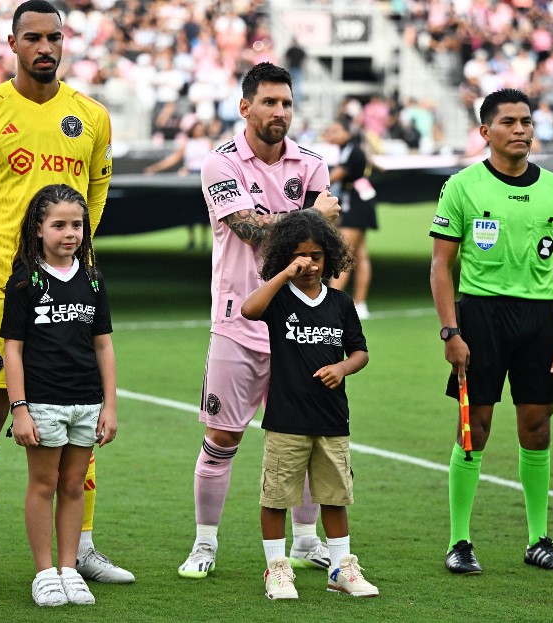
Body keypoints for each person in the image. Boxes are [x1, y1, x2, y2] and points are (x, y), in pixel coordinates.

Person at [0, 0, 130, 590]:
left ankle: (84, 549)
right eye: (33, 38)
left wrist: (76, 256)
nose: (45, 47)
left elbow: (95, 196)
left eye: (54, 37)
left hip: (69, 293)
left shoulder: (91, 116)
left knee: (77, 414)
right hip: (0, 293)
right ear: (12, 42)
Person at [180, 62, 341, 579]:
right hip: (237, 322)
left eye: (287, 104)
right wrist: (311, 220)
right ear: (245, 107)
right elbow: (250, 230)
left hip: (301, 326)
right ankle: (205, 544)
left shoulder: (312, 163)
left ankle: (307, 541)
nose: (279, 113)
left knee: (306, 437)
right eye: (269, 102)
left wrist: (306, 225)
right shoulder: (219, 164)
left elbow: (317, 241)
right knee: (222, 439)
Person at [430, 88, 553, 575]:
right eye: (509, 122)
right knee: (473, 431)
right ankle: (459, 541)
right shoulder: (463, 186)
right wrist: (450, 331)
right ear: (485, 132)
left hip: (540, 321)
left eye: (527, 121)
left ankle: (539, 539)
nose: (521, 130)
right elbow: (440, 266)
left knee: (537, 429)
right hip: (481, 318)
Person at [242, 210, 377, 599]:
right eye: (299, 256)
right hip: (286, 419)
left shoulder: (340, 302)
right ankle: (277, 570)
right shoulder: (280, 299)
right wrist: (283, 274)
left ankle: (341, 568)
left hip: (332, 419)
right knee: (276, 498)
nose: (309, 264)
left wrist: (343, 367)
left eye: (316, 256)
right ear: (285, 258)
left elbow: (360, 352)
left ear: (329, 257)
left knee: (335, 497)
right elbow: (250, 310)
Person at [1, 184, 119, 607]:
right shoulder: (23, 282)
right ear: (38, 229)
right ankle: (44, 572)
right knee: (43, 484)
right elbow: (11, 349)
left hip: (86, 402)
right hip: (42, 403)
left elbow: (103, 344)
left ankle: (69, 570)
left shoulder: (92, 279)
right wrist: (19, 409)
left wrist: (110, 405)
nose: (70, 233)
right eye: (59, 225)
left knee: (74, 485)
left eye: (77, 224)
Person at [325, 119, 378, 320]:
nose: (332, 134)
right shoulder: (350, 148)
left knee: (343, 253)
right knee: (360, 254)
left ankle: (330, 304)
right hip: (358, 203)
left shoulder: (351, 150)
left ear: (348, 132)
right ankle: (359, 304)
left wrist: (312, 184)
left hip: (356, 205)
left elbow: (335, 176)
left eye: (336, 130)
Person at [143, 120, 213, 251]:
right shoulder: (187, 144)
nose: (199, 131)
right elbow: (173, 159)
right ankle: (192, 239)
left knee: (205, 209)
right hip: (189, 177)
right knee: (190, 208)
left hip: (203, 178)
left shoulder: (207, 143)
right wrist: (155, 168)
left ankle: (204, 239)